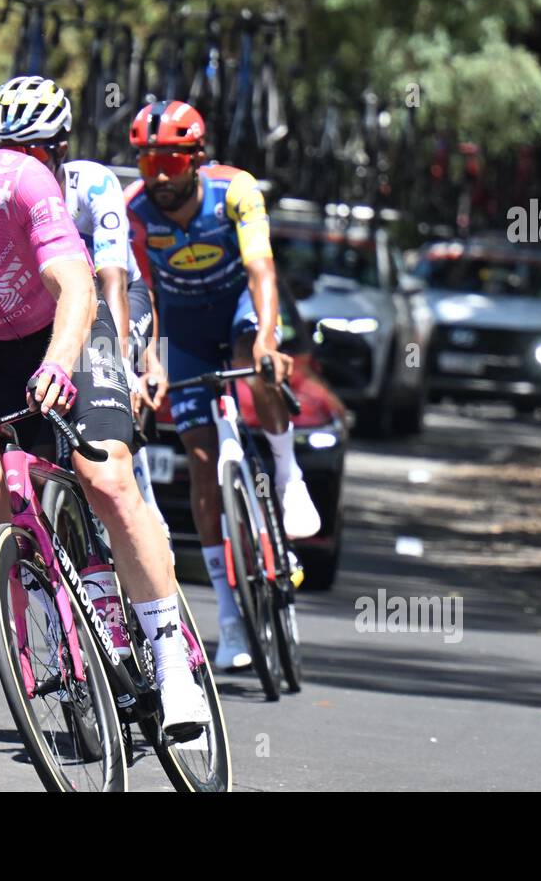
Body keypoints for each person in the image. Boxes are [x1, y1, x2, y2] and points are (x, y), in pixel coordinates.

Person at [0, 84, 209, 736]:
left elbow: (79, 286)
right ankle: (50, 600)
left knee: (107, 478)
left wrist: (59, 362)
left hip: (71, 327)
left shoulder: (22, 182)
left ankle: (173, 667)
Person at [125, 99, 321, 671]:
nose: (161, 178)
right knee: (202, 465)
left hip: (239, 310)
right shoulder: (136, 213)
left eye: (173, 164)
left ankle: (287, 473)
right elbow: (147, 296)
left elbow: (262, 270)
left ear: (197, 157)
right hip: (181, 331)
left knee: (252, 359)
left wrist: (266, 340)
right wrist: (150, 363)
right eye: (149, 164)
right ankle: (230, 618)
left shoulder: (236, 190)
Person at [0, 75, 171, 541]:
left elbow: (113, 282)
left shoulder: (93, 184)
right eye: (3, 150)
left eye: (34, 153)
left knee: (113, 396)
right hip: (47, 311)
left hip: (113, 300)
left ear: (61, 148)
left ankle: (144, 504)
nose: (17, 164)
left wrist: (126, 368)